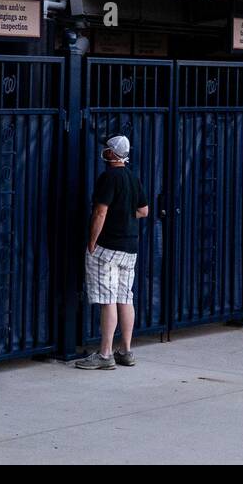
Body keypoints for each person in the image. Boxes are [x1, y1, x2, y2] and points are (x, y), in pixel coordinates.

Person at [76, 135, 149, 371]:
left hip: (107, 247)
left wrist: (92, 241)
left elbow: (99, 212)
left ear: (112, 154)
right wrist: (125, 217)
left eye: (106, 149)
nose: (104, 152)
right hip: (130, 247)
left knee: (107, 300)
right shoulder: (132, 177)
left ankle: (105, 354)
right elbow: (144, 211)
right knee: (125, 297)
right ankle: (126, 351)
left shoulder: (108, 177)